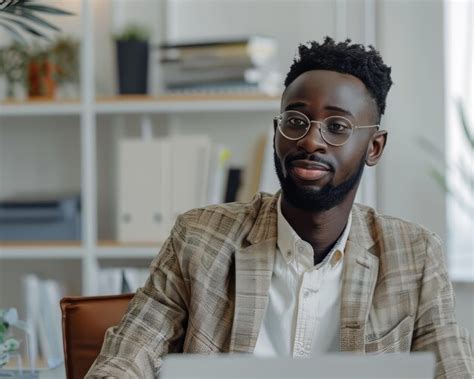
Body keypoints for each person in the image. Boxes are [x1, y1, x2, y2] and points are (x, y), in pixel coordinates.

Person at [87, 37, 473, 378]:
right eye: (295, 120)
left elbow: (452, 369)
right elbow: (127, 358)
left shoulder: (414, 255)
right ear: (277, 132)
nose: (310, 141)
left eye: (337, 127)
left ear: (374, 148)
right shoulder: (199, 239)